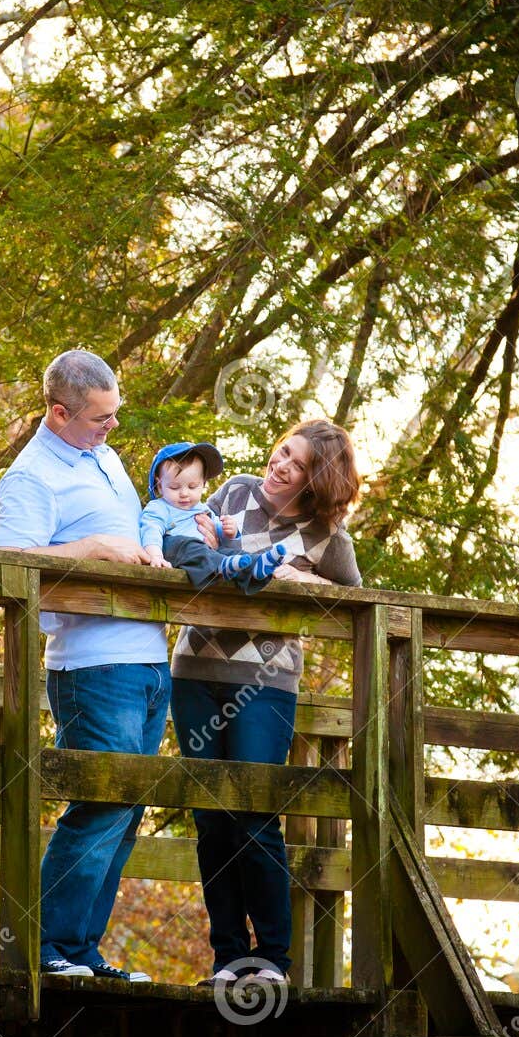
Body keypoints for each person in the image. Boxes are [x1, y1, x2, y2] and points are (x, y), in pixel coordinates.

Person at [0, 349, 215, 981]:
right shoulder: (31, 477)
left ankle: (81, 951)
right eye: (99, 417)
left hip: (146, 660)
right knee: (99, 805)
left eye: (116, 413)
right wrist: (91, 549)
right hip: (92, 667)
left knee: (126, 809)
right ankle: (44, 951)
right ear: (59, 413)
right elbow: (8, 568)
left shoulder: (108, 457)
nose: (113, 426)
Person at [169, 418, 362, 987]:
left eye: (298, 463)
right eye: (283, 452)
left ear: (318, 479)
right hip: (195, 671)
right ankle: (227, 961)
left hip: (266, 684)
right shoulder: (232, 492)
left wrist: (310, 587)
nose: (281, 466)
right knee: (211, 822)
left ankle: (272, 964)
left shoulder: (329, 536)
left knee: (255, 818)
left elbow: (355, 605)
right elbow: (186, 548)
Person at [139, 441, 288, 591]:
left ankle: (255, 566)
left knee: (232, 553)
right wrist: (155, 556)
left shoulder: (202, 509)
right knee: (192, 547)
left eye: (192, 486)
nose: (184, 493)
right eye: (174, 487)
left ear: (203, 483)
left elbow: (218, 533)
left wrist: (230, 531)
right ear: (159, 485)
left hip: (207, 553)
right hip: (176, 551)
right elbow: (151, 530)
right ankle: (221, 565)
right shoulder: (159, 507)